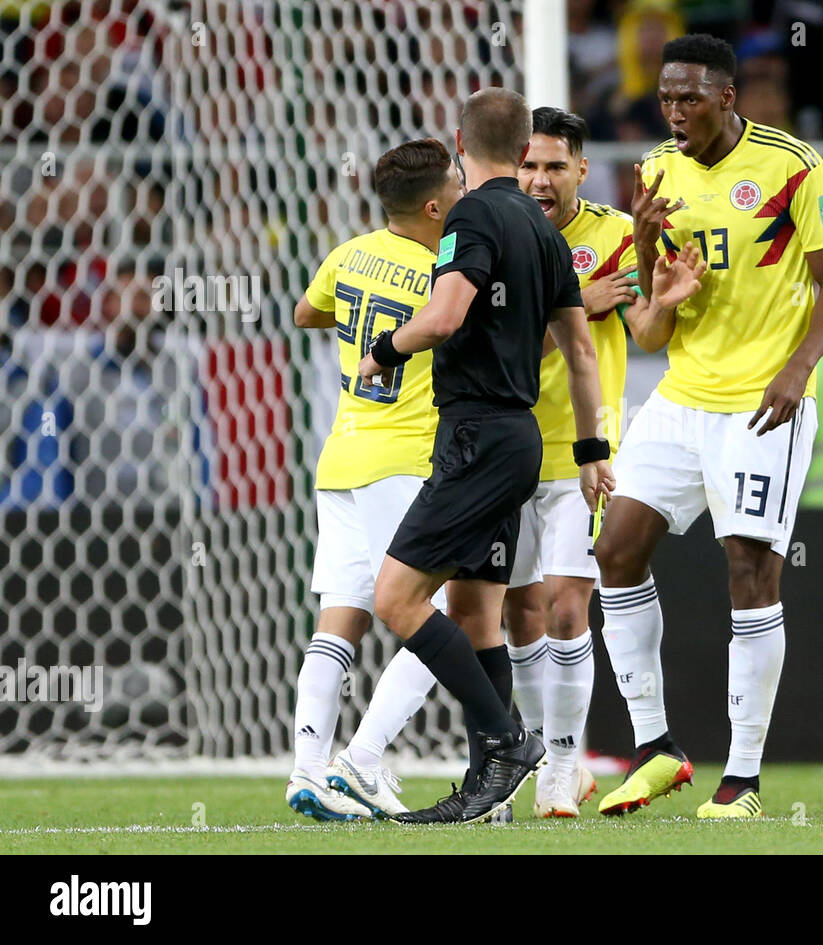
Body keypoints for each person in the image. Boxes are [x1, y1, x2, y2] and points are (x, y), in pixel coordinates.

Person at [593, 34, 823, 819]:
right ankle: (657, 747)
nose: (674, 113)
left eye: (689, 99)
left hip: (762, 401)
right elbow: (649, 333)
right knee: (614, 548)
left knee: (748, 567)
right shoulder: (655, 172)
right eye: (665, 99)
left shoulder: (792, 165)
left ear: (727, 97)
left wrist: (799, 367)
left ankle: (742, 779)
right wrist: (647, 251)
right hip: (682, 395)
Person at [354, 88, 611, 825]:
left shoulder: (468, 216)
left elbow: (444, 317)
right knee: (473, 612)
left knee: (395, 599)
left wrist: (383, 350)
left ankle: (506, 740)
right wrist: (591, 449)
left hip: (474, 435)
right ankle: (484, 784)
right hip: (521, 439)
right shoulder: (543, 229)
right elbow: (581, 351)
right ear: (523, 148)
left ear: (460, 144)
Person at [506, 105, 704, 818]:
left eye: (555, 166)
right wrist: (573, 306)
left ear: (582, 170)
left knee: (566, 606)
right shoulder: (496, 234)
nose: (540, 179)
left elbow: (648, 333)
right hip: (507, 451)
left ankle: (564, 765)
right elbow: (489, 350)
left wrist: (663, 301)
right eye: (529, 165)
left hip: (586, 456)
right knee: (518, 613)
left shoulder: (617, 236)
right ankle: (538, 754)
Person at [285, 138, 463, 822]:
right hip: (403, 463)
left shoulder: (350, 253)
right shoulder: (439, 274)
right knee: (440, 616)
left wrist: (360, 318)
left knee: (340, 620)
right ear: (433, 206)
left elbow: (305, 314)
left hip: (341, 458)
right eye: (455, 186)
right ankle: (362, 757)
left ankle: (307, 771)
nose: (463, 194)